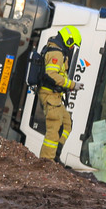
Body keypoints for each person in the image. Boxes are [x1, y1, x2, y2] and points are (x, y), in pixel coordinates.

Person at [37, 25, 83, 160]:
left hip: (55, 96)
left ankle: (56, 154)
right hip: (50, 96)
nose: (71, 48)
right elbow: (51, 74)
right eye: (72, 45)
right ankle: (46, 161)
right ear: (68, 40)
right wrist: (72, 85)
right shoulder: (56, 53)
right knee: (53, 129)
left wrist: (68, 86)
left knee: (67, 124)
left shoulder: (59, 52)